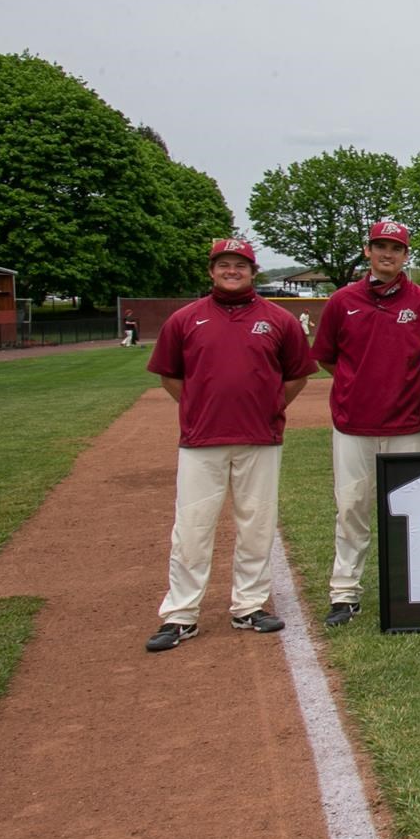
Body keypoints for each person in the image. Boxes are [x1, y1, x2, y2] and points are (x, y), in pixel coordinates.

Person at [143, 238, 316, 652]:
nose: (232, 271)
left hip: (260, 437)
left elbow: (296, 375)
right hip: (202, 440)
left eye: (240, 265)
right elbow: (171, 376)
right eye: (224, 264)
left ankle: (249, 606)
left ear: (254, 271)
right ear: (211, 270)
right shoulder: (186, 320)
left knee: (256, 524)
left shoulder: (279, 320)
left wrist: (270, 406)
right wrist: (200, 407)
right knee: (192, 528)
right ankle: (181, 614)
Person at [311, 219, 420, 627]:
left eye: (396, 248)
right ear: (368, 251)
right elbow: (327, 357)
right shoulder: (341, 301)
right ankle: (345, 593)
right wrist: (357, 387)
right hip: (354, 427)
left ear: (406, 256)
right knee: (351, 508)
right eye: (380, 246)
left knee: (416, 511)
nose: (387, 254)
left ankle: (417, 588)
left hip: (410, 426)